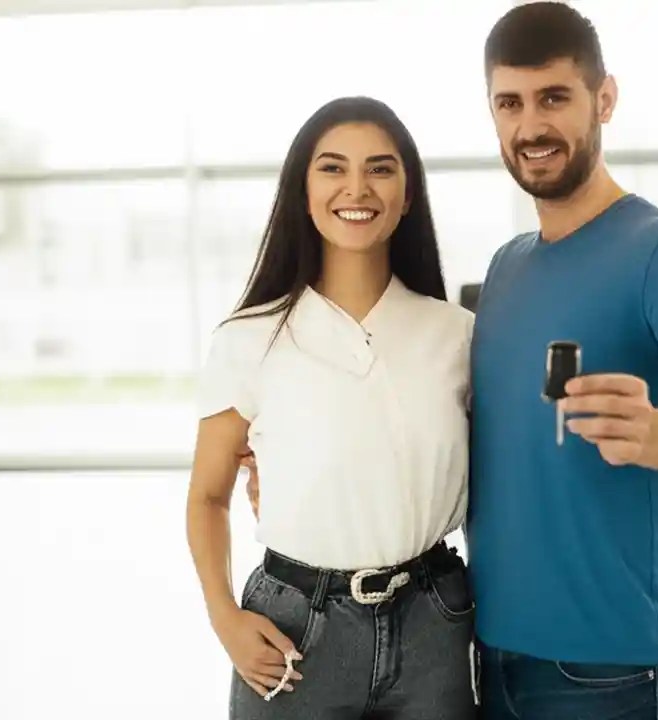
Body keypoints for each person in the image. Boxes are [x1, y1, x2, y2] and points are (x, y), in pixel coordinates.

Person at [466, 3, 658, 718]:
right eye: (509, 103)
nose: (530, 126)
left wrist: (655, 433)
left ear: (604, 98)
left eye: (554, 98)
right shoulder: (506, 268)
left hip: (612, 670)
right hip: (493, 653)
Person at [186, 96, 477, 720]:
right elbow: (207, 496)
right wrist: (225, 619)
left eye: (380, 168)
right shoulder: (248, 338)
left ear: (407, 194)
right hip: (293, 629)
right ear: (302, 190)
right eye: (332, 168)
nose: (357, 187)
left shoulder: (458, 336)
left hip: (436, 621)